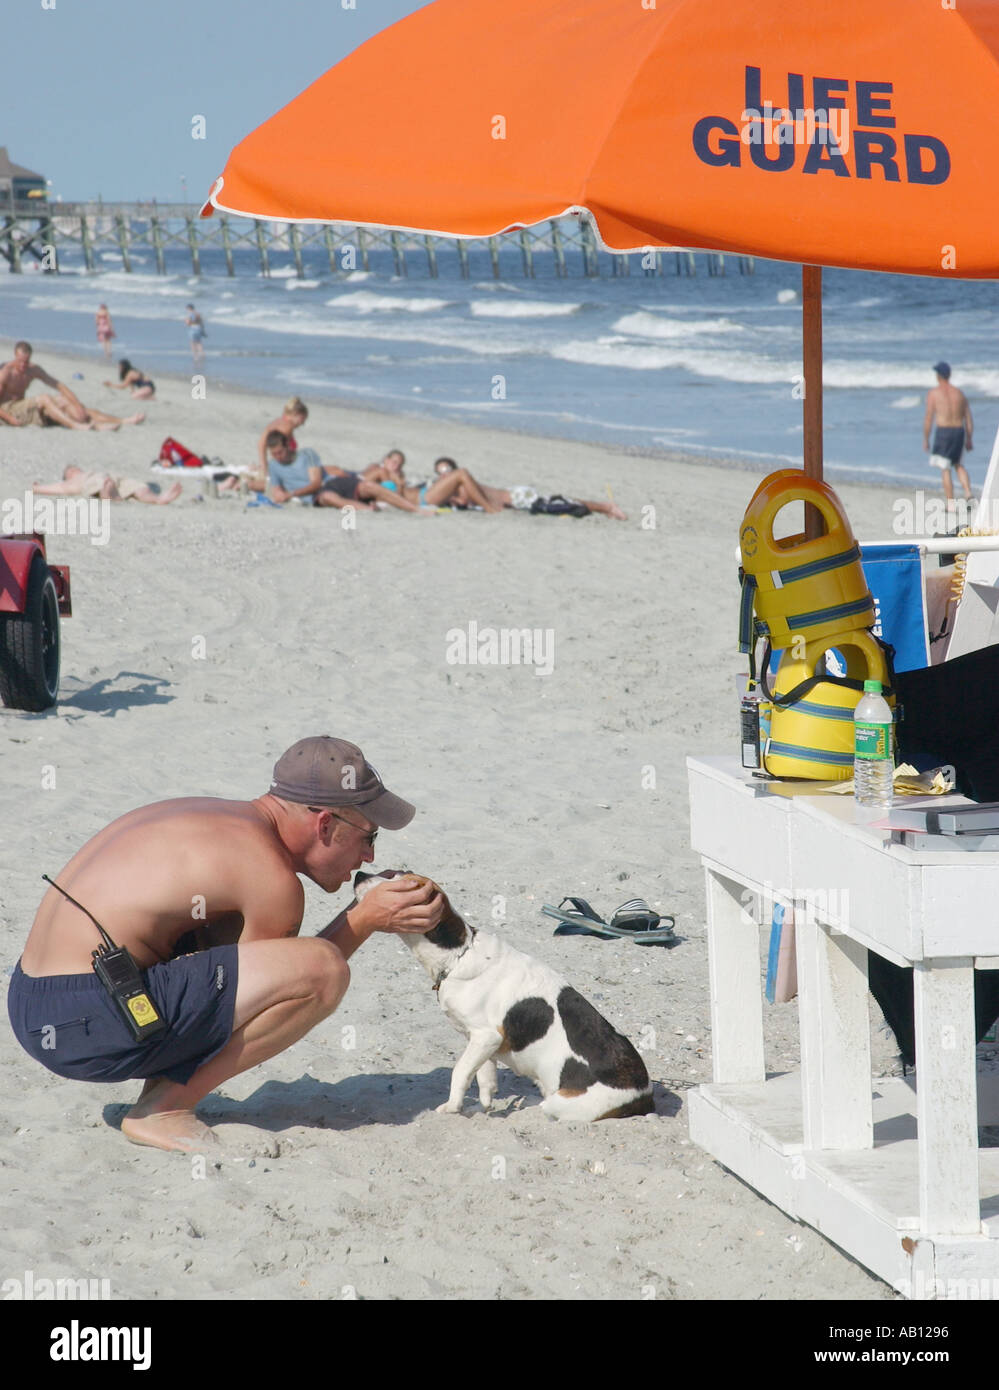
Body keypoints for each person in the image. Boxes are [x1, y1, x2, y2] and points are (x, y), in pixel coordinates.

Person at [6, 737, 444, 1152]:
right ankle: (163, 1109)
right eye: (369, 837)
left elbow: (229, 975)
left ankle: (161, 1094)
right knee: (325, 970)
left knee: (213, 943)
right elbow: (289, 980)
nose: (368, 857)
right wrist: (364, 918)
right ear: (325, 824)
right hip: (86, 1018)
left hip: (31, 1000)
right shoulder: (270, 877)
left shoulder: (214, 816)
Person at [0, 341, 145, 430]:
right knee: (44, 398)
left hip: (24, 407)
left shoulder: (33, 370)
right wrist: (10, 420)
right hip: (8, 410)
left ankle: (122, 421)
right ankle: (75, 425)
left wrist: (77, 404)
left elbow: (58, 385)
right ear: (15, 355)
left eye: (26, 361)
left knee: (67, 403)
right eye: (20, 361)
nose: (23, 365)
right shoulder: (6, 372)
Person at [924, 361, 974, 503]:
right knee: (958, 465)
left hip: (944, 432)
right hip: (959, 431)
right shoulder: (959, 394)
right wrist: (969, 438)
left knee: (945, 468)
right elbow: (968, 419)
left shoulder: (934, 394)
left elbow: (929, 418)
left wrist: (926, 438)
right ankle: (968, 493)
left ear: (938, 376)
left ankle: (950, 503)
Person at [34, 464, 182, 506]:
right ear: (67, 476)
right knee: (102, 482)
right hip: (96, 481)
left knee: (137, 487)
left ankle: (158, 498)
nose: (74, 469)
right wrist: (38, 488)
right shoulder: (74, 480)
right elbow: (60, 488)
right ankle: (110, 495)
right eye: (70, 470)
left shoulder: (87, 472)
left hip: (113, 478)